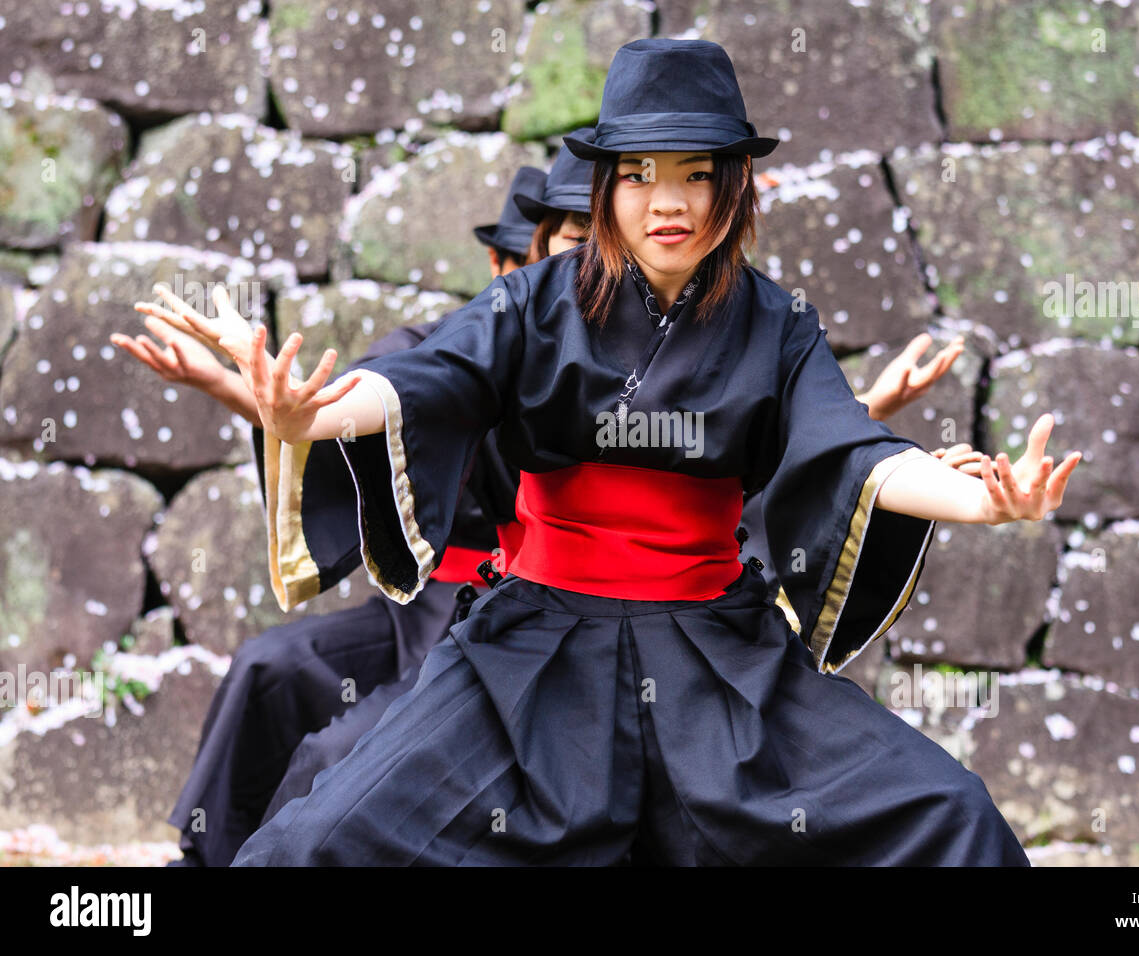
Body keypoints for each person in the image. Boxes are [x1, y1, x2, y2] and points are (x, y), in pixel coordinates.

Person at [219, 40, 1081, 866]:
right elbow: (426, 379)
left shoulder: (776, 325)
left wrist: (984, 503)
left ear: (733, 186)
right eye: (638, 175)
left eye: (695, 174)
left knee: (952, 815)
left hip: (717, 654)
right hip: (536, 646)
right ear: (605, 187)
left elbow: (852, 449)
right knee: (320, 841)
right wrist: (315, 416)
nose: (666, 202)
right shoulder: (534, 300)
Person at [111, 163, 550, 867]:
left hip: (517, 617)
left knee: (338, 756)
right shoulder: (445, 351)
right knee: (268, 667)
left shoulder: (597, 363)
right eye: (543, 253)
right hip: (424, 602)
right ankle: (203, 860)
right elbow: (331, 418)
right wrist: (225, 382)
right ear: (500, 262)